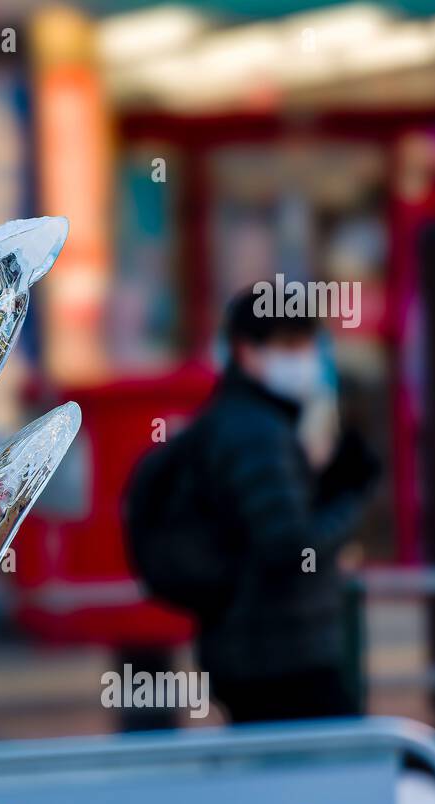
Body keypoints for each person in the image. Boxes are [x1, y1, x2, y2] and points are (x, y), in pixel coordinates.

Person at [126, 291, 379, 723]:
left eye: (308, 344)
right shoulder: (256, 433)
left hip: (257, 652)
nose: (305, 359)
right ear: (247, 352)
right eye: (289, 346)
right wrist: (350, 501)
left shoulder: (243, 419)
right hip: (282, 658)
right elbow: (290, 549)